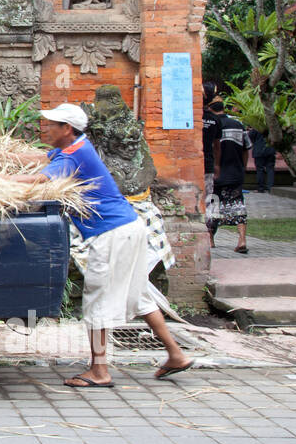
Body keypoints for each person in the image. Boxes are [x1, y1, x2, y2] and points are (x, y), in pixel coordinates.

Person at [14, 103, 193, 387]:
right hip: (128, 228)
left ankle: (99, 371)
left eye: (52, 124)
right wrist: (7, 154)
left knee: (96, 300)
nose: (46, 128)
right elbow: (39, 158)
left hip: (112, 235)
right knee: (140, 296)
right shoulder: (76, 147)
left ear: (67, 129)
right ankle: (175, 354)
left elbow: (39, 178)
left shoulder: (74, 155)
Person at [206, 99, 252, 253]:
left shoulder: (211, 124)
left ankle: (210, 240)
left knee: (213, 206)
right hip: (235, 173)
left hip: (215, 173)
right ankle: (242, 239)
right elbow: (246, 149)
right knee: (238, 205)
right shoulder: (238, 126)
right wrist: (243, 168)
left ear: (211, 109)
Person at [251, 128, 277, 194]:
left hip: (258, 150)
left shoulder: (256, 127)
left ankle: (260, 188)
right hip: (270, 150)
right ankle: (270, 188)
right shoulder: (271, 126)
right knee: (270, 169)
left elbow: (250, 137)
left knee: (260, 169)